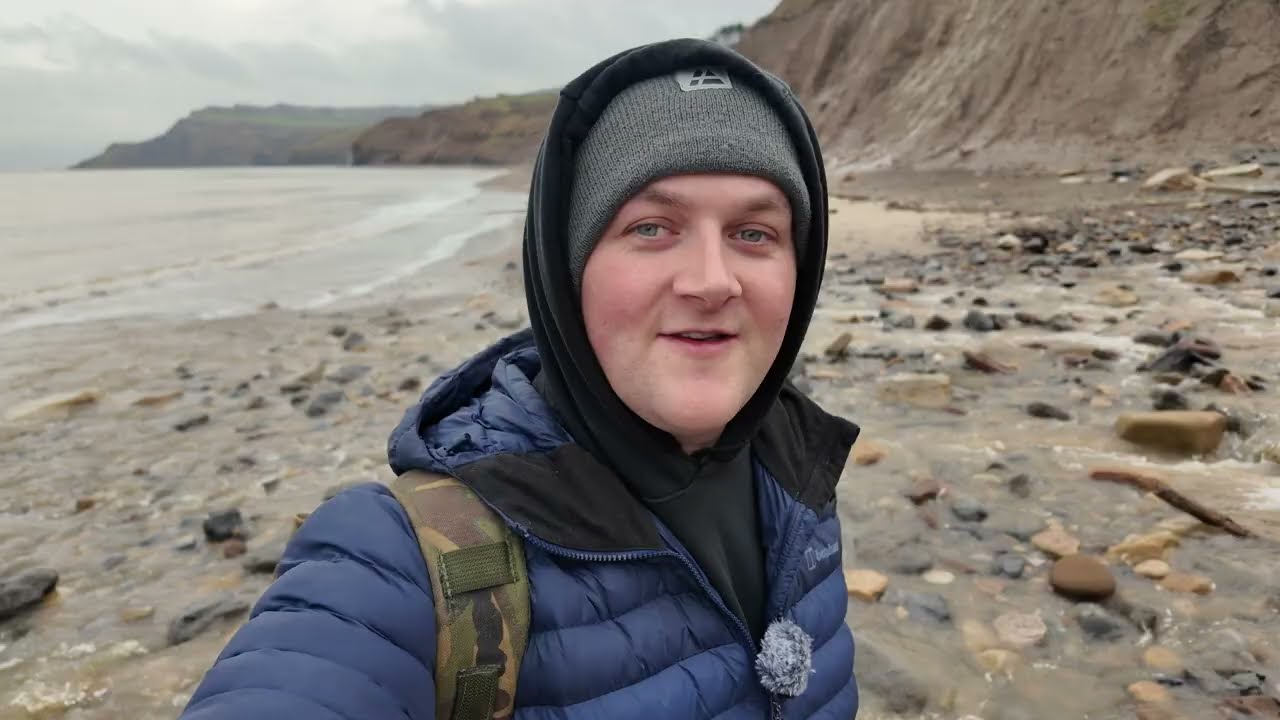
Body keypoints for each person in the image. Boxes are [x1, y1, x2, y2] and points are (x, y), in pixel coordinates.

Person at [178, 37, 861, 720]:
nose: (712, 281)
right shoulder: (404, 557)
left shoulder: (799, 468)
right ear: (565, 269)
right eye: (652, 228)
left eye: (753, 233)